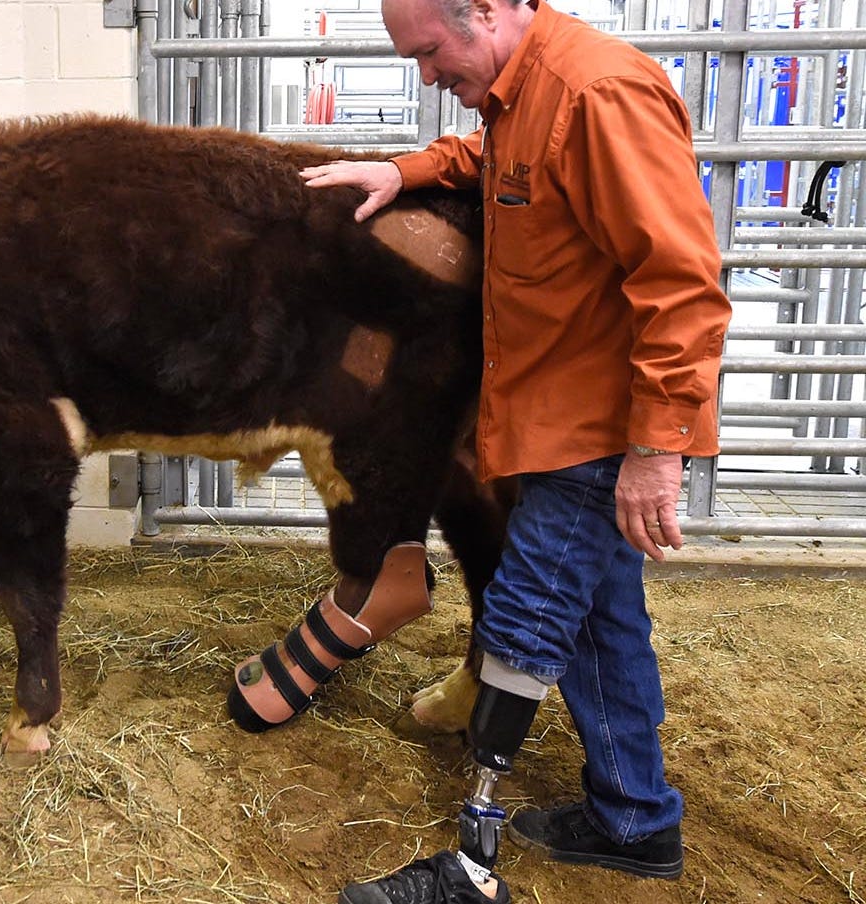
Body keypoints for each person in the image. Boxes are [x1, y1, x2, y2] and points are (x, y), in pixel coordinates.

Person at [298, 0, 733, 901]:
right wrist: (403, 166)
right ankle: (634, 821)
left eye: (428, 53)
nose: (426, 77)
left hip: (597, 429)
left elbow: (682, 281)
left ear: (486, 11)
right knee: (600, 627)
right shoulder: (520, 93)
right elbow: (498, 163)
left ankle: (473, 858)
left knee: (526, 617)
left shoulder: (597, 91)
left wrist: (657, 448)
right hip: (550, 420)